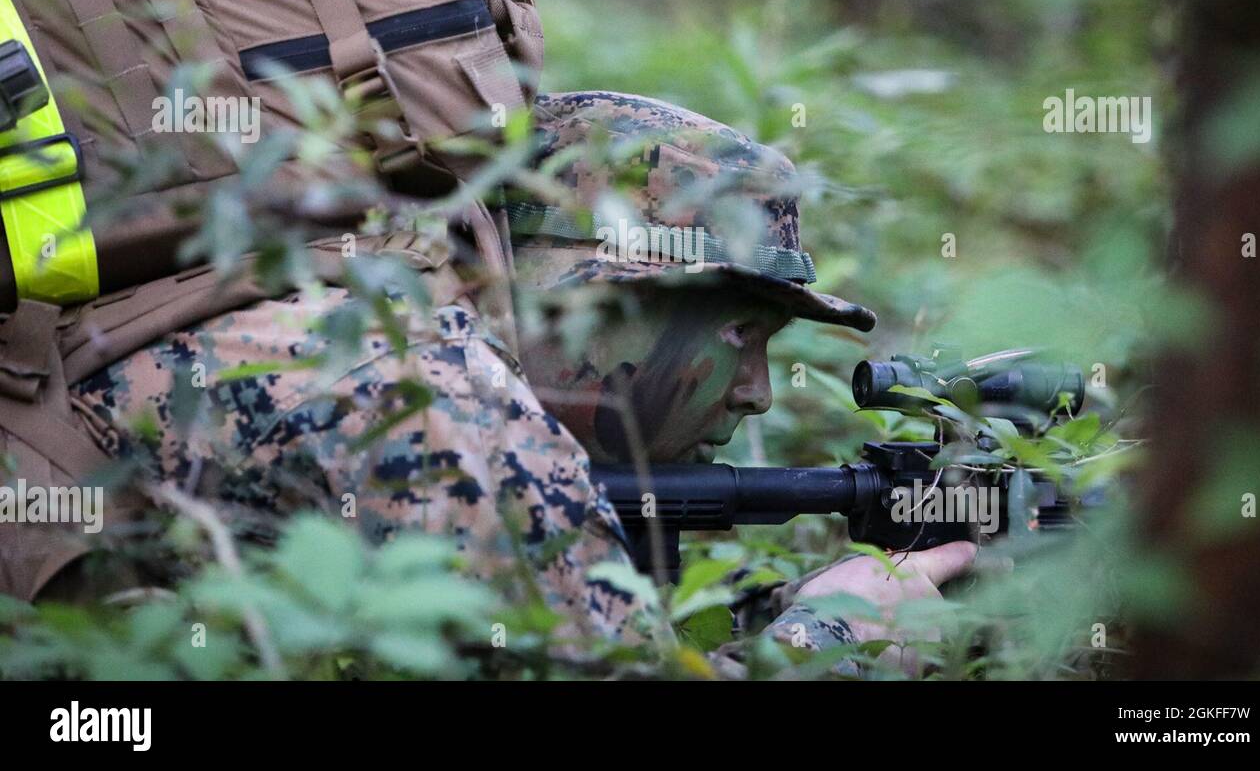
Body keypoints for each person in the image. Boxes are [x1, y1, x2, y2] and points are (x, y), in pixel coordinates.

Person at [59, 89, 977, 675]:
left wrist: (764, 621)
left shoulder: (357, 318)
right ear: (598, 300)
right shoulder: (429, 404)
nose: (757, 393)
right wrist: (833, 644)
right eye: (740, 335)